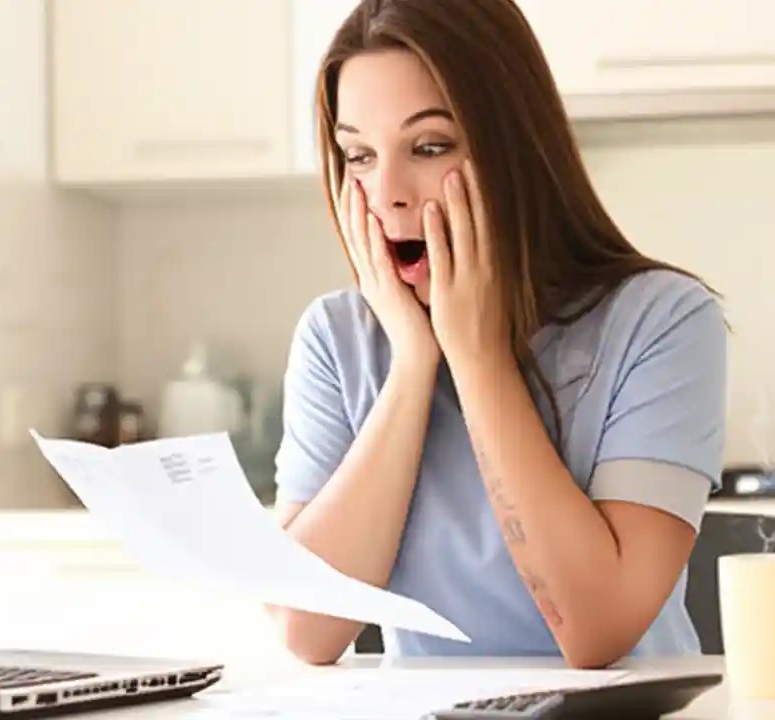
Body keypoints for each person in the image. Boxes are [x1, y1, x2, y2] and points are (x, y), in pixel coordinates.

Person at [266, 0, 728, 669]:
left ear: (516, 148)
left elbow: (596, 632)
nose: (387, 192)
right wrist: (414, 362)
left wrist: (477, 357)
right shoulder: (336, 338)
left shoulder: (663, 321)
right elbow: (306, 631)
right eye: (358, 154)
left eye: (429, 146)